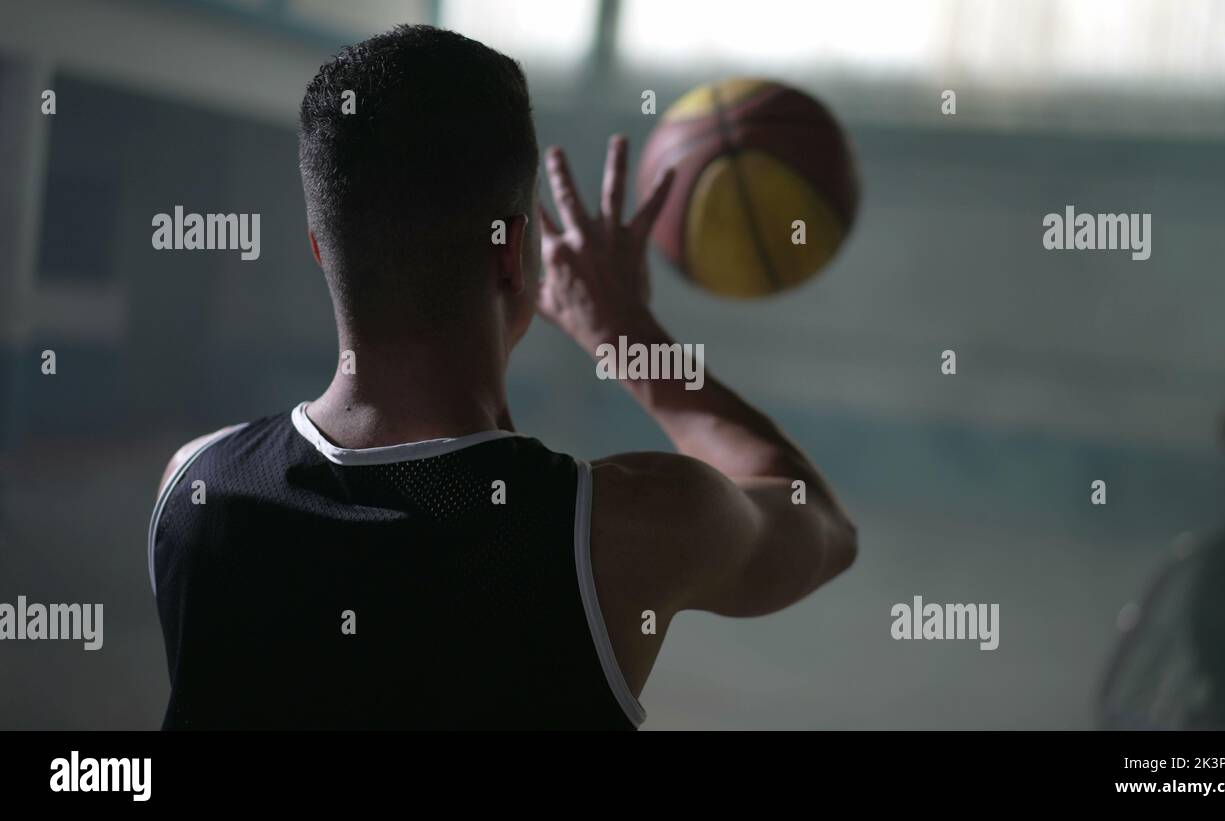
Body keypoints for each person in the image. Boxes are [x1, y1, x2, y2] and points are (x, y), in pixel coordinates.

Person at [149, 25, 857, 730]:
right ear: (513, 253)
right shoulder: (616, 531)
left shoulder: (195, 489)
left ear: (321, 249)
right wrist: (624, 334)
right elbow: (820, 523)